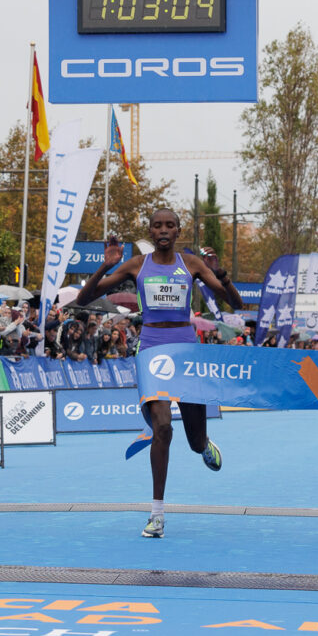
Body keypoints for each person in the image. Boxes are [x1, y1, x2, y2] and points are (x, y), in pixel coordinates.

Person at [75, 209, 242, 539]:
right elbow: (83, 299)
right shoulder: (136, 265)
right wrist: (106, 265)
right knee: (163, 427)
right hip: (152, 350)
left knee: (194, 441)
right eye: (157, 225)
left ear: (178, 230)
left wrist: (222, 275)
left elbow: (235, 303)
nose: (163, 230)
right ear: (149, 231)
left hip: (186, 351)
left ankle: (204, 444)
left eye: (169, 225)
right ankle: (157, 515)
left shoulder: (191, 264)